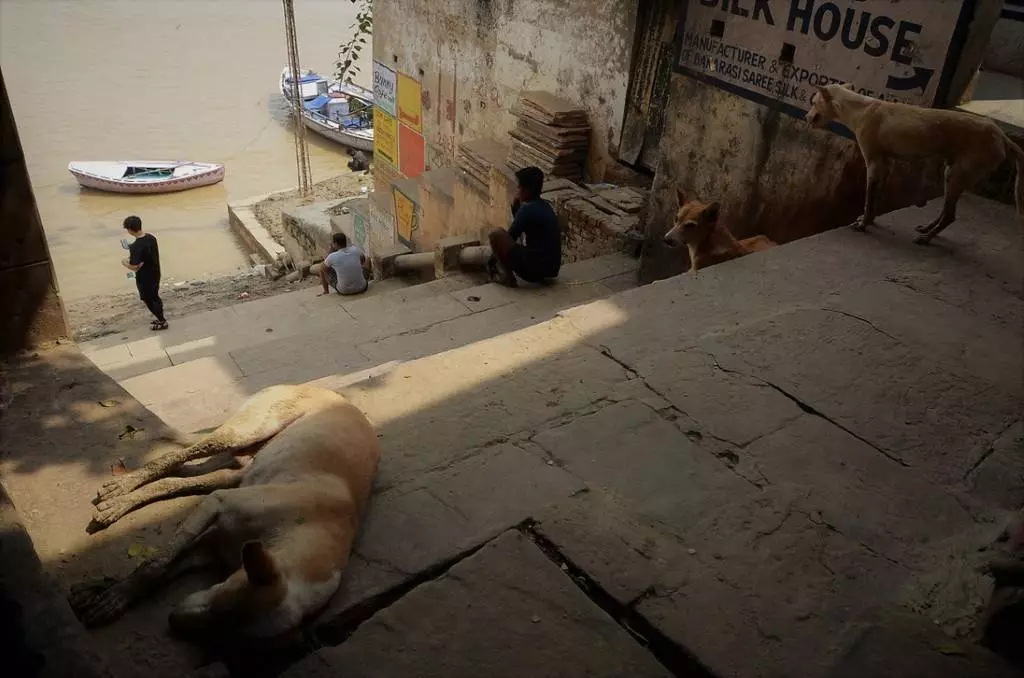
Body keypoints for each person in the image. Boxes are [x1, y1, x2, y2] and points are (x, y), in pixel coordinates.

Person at [488, 166, 561, 287]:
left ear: (525, 190)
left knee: (495, 233)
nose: (517, 190)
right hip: (551, 269)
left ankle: (508, 277)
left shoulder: (527, 208)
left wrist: (492, 259)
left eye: (519, 187)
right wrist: (516, 207)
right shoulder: (546, 205)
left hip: (534, 270)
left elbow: (511, 236)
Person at [121, 215, 167, 330]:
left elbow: (134, 267)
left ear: (130, 230)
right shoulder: (151, 238)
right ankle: (161, 317)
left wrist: (124, 262)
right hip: (155, 272)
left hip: (145, 277)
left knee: (147, 299)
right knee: (155, 296)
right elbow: (146, 255)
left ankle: (162, 321)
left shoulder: (136, 247)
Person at [319, 232, 369, 296]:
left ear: (336, 243)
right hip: (362, 287)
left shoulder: (332, 256)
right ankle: (361, 280)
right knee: (368, 260)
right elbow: (363, 260)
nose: (331, 244)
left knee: (321, 268)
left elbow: (323, 268)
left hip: (344, 290)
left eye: (332, 243)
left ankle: (326, 291)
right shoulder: (355, 249)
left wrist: (331, 251)